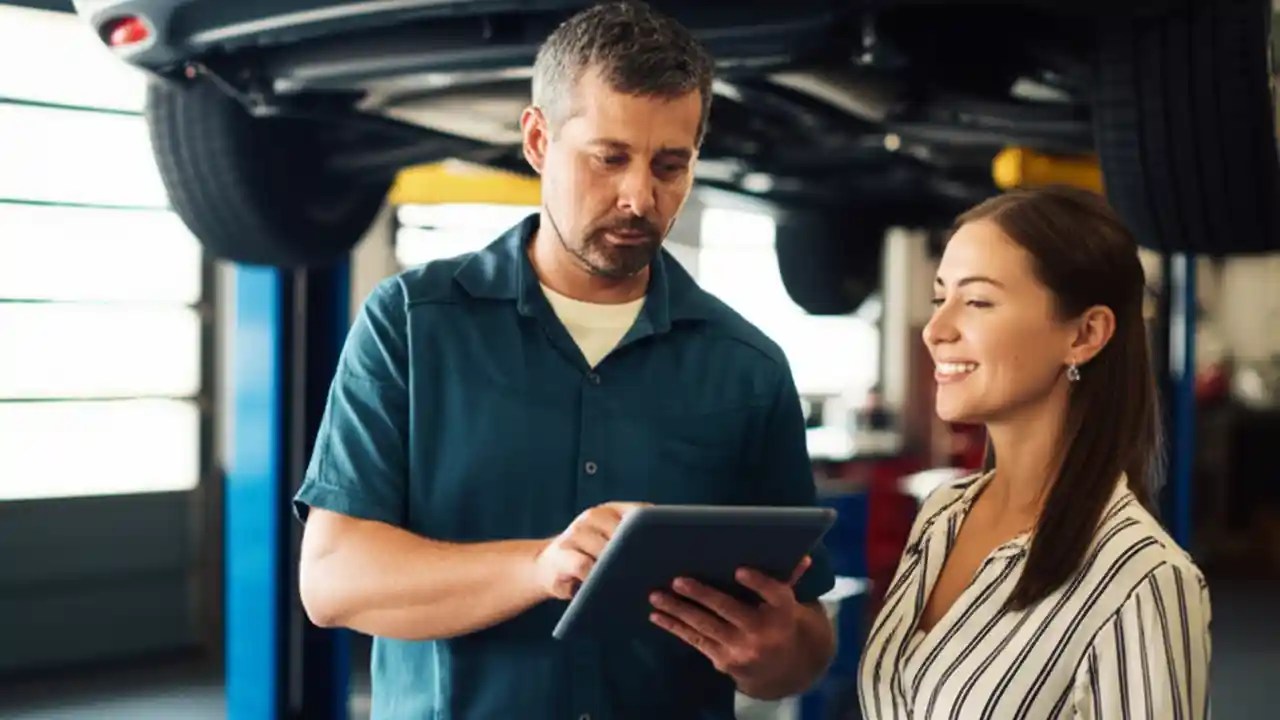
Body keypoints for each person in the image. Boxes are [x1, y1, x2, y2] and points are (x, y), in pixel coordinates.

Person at [293, 2, 837, 718]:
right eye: (609, 158)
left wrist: (775, 655)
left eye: (670, 166)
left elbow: (804, 642)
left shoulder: (748, 368)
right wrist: (539, 566)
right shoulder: (411, 325)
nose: (640, 197)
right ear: (539, 139)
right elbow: (334, 582)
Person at [858, 185, 1212, 719]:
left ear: (1085, 334)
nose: (935, 329)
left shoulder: (1143, 579)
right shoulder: (942, 514)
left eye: (976, 301)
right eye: (939, 298)